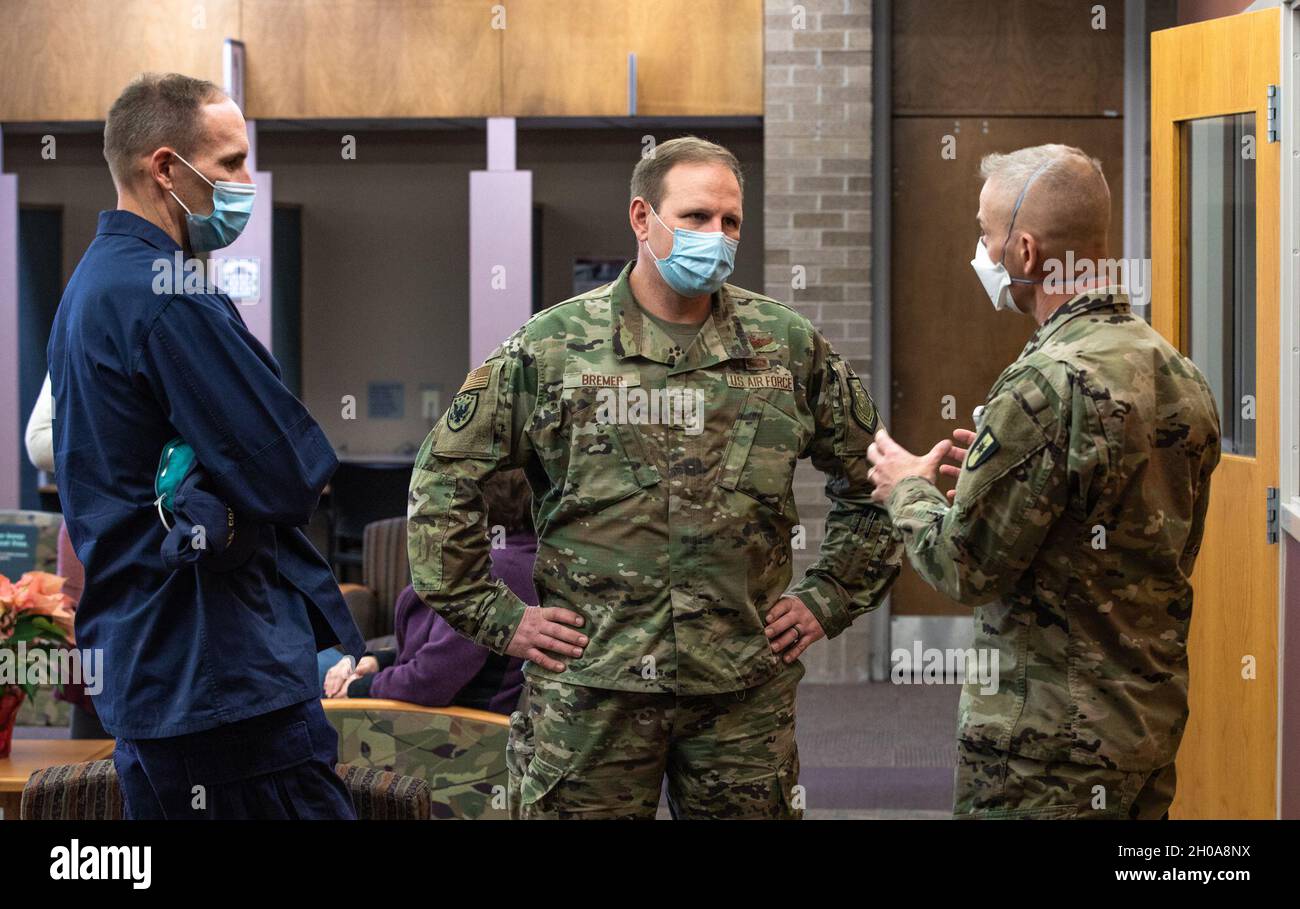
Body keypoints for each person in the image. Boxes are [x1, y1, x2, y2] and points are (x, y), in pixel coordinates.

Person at [409, 135, 901, 819]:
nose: (718, 237)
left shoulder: (785, 347)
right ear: (643, 218)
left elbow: (877, 476)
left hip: (740, 699)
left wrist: (830, 596)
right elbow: (442, 482)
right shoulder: (553, 349)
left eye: (731, 221)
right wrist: (498, 617)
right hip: (592, 695)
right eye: (697, 217)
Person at [865, 144, 1221, 820]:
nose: (980, 249)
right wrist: (1008, 476)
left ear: (1026, 252)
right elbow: (1144, 536)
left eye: (984, 231)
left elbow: (964, 568)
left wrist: (907, 486)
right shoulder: (1178, 372)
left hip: (1043, 752)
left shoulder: (1043, 385)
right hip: (1144, 726)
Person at [47, 72, 364, 819]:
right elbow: (294, 470)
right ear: (165, 167)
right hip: (222, 689)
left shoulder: (90, 287)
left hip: (156, 675)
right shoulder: (166, 295)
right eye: (229, 164)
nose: (245, 184)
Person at [322, 470, 531, 713]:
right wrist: (376, 661)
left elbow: (433, 679)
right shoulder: (520, 557)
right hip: (445, 717)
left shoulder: (488, 572)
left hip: (443, 732)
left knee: (300, 671)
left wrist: (357, 689)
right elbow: (461, 660)